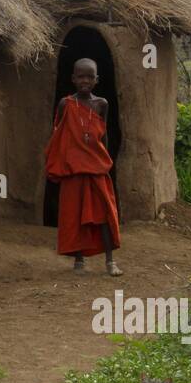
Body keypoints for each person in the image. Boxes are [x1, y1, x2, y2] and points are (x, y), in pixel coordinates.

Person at [44, 57, 122, 275]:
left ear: (96, 79)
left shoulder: (102, 104)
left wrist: (106, 162)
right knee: (75, 215)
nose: (85, 81)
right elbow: (59, 136)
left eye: (89, 76)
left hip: (97, 168)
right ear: (73, 78)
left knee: (105, 214)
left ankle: (110, 261)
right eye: (80, 76)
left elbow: (103, 135)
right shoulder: (65, 104)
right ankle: (79, 261)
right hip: (74, 171)